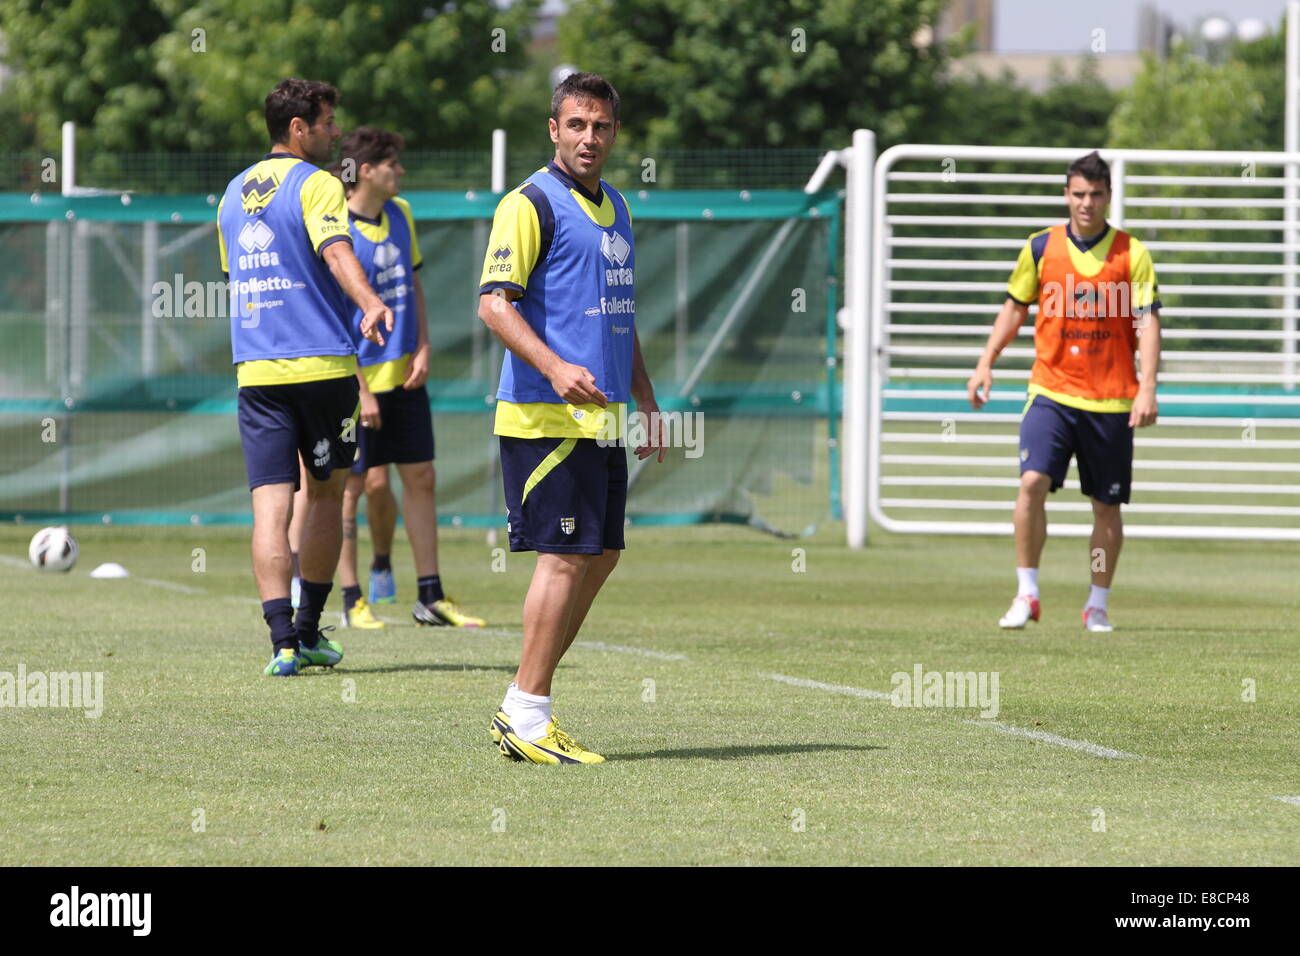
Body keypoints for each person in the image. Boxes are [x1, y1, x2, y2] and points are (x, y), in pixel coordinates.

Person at [477, 72, 665, 764]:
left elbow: (621, 316)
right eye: (577, 124)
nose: (590, 137)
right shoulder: (530, 204)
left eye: (602, 126)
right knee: (562, 558)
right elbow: (495, 304)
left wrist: (644, 399)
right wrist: (556, 369)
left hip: (606, 419)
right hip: (544, 418)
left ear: (615, 133)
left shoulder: (615, 204)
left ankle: (529, 702)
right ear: (554, 130)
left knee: (602, 553)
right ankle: (525, 714)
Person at [217, 78, 392, 676]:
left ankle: (281, 643)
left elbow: (235, 281)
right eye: (327, 121)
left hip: (256, 370)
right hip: (320, 364)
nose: (336, 131)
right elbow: (337, 252)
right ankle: (311, 628)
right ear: (298, 128)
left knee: (269, 506)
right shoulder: (317, 184)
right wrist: (369, 301)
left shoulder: (232, 194)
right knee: (323, 494)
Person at [967, 150, 1161, 633]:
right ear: (1065, 195)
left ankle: (1097, 603)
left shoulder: (1131, 253)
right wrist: (985, 363)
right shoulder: (1040, 247)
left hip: (1112, 399)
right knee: (1032, 482)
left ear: (1109, 196)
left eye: (1096, 194)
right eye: (1079, 194)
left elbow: (1149, 320)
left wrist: (1148, 387)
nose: (1087, 203)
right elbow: (1014, 308)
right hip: (1051, 391)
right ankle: (1027, 593)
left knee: (1106, 508)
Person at [331, 126, 485, 629]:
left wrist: (422, 345)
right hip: (355, 385)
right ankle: (354, 600)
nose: (401, 171)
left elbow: (413, 282)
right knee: (350, 490)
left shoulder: (401, 214)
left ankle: (430, 597)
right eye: (393, 163)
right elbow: (331, 312)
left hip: (406, 379)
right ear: (367, 170)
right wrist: (358, 387)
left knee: (421, 478)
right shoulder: (336, 228)